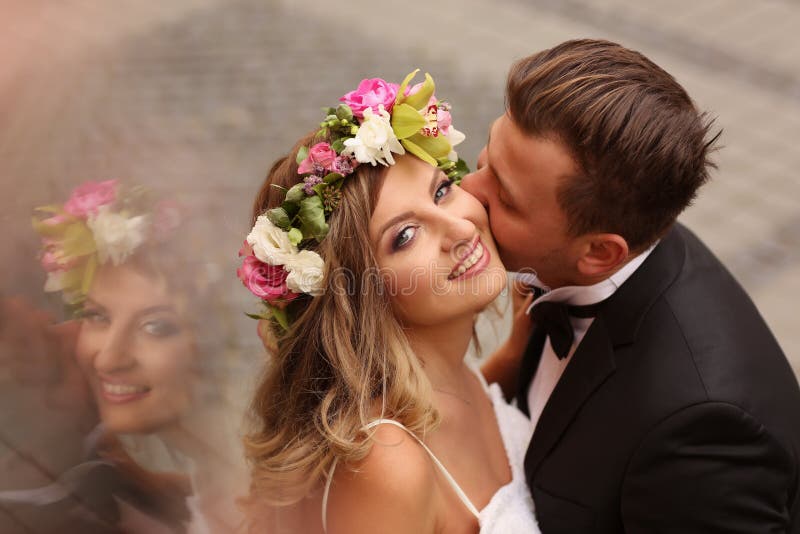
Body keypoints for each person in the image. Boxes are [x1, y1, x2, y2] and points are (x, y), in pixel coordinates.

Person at [464, 39, 800, 533]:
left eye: (506, 200)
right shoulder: (591, 242)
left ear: (600, 254)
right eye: (488, 160)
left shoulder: (703, 434)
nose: (468, 192)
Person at [239, 71, 539, 533]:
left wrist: (516, 355)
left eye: (441, 191)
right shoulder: (387, 463)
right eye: (405, 236)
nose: (461, 229)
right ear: (355, 295)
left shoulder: (447, 375)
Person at [16, 180, 246, 533]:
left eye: (157, 327)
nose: (108, 360)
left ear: (226, 344)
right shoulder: (207, 481)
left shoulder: (276, 500)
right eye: (97, 316)